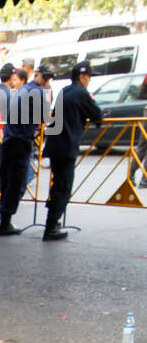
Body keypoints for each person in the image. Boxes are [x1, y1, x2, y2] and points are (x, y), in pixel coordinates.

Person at [42, 62, 104, 241]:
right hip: (67, 146)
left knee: (57, 186)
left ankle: (52, 221)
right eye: (89, 76)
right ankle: (51, 226)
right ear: (82, 76)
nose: (89, 80)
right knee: (63, 187)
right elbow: (97, 115)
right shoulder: (81, 93)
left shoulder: (65, 91)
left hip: (55, 145)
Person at [0, 64, 52, 235]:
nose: (47, 81)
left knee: (8, 181)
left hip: (9, 139)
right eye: (46, 77)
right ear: (37, 75)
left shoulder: (23, 90)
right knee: (17, 182)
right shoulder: (37, 92)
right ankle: (5, 221)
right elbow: (46, 117)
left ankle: (4, 220)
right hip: (20, 141)